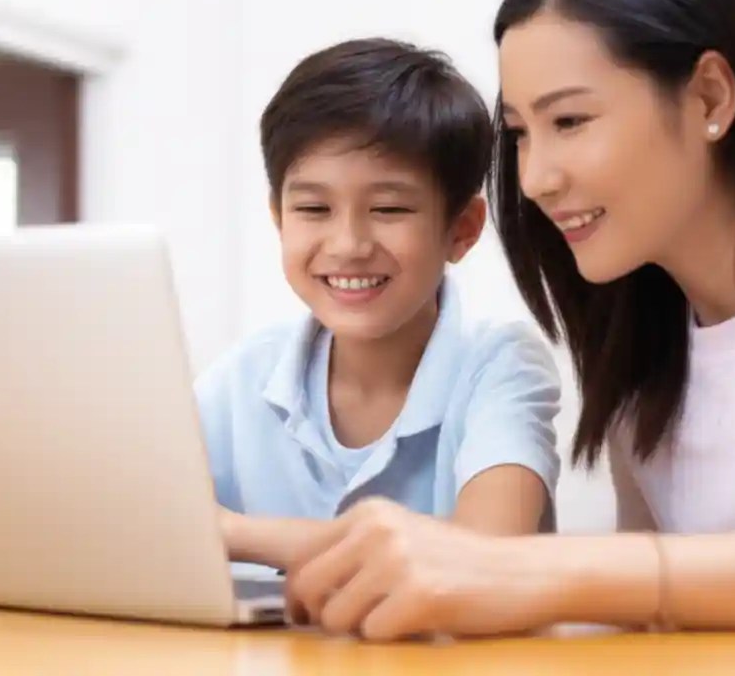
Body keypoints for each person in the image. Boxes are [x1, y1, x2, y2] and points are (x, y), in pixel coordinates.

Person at [284, 0, 735, 639]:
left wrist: (543, 571)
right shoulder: (641, 376)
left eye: (569, 123)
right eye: (521, 135)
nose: (534, 179)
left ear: (710, 97)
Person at [195, 38, 562, 573]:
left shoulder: (502, 365)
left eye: (389, 208)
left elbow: (484, 556)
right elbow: (139, 522)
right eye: (314, 208)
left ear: (462, 229)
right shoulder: (241, 377)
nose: (348, 244)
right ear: (280, 218)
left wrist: (232, 533)